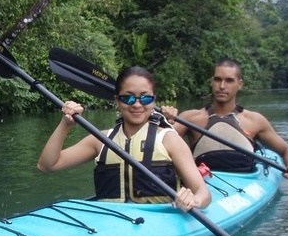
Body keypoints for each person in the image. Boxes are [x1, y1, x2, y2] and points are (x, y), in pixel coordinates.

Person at [37, 66, 211, 212]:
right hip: (112, 222)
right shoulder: (101, 139)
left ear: (153, 101)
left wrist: (193, 200)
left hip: (159, 220)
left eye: (145, 98)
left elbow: (203, 193)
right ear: (117, 101)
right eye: (128, 98)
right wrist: (65, 125)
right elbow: (47, 165)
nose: (137, 104)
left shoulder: (168, 139)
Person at [172, 59, 288, 178]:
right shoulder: (190, 118)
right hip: (204, 179)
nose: (222, 86)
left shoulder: (254, 120)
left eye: (229, 80)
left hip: (244, 180)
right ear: (212, 82)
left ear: (240, 84)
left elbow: (286, 150)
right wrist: (166, 120)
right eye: (218, 79)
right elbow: (159, 142)